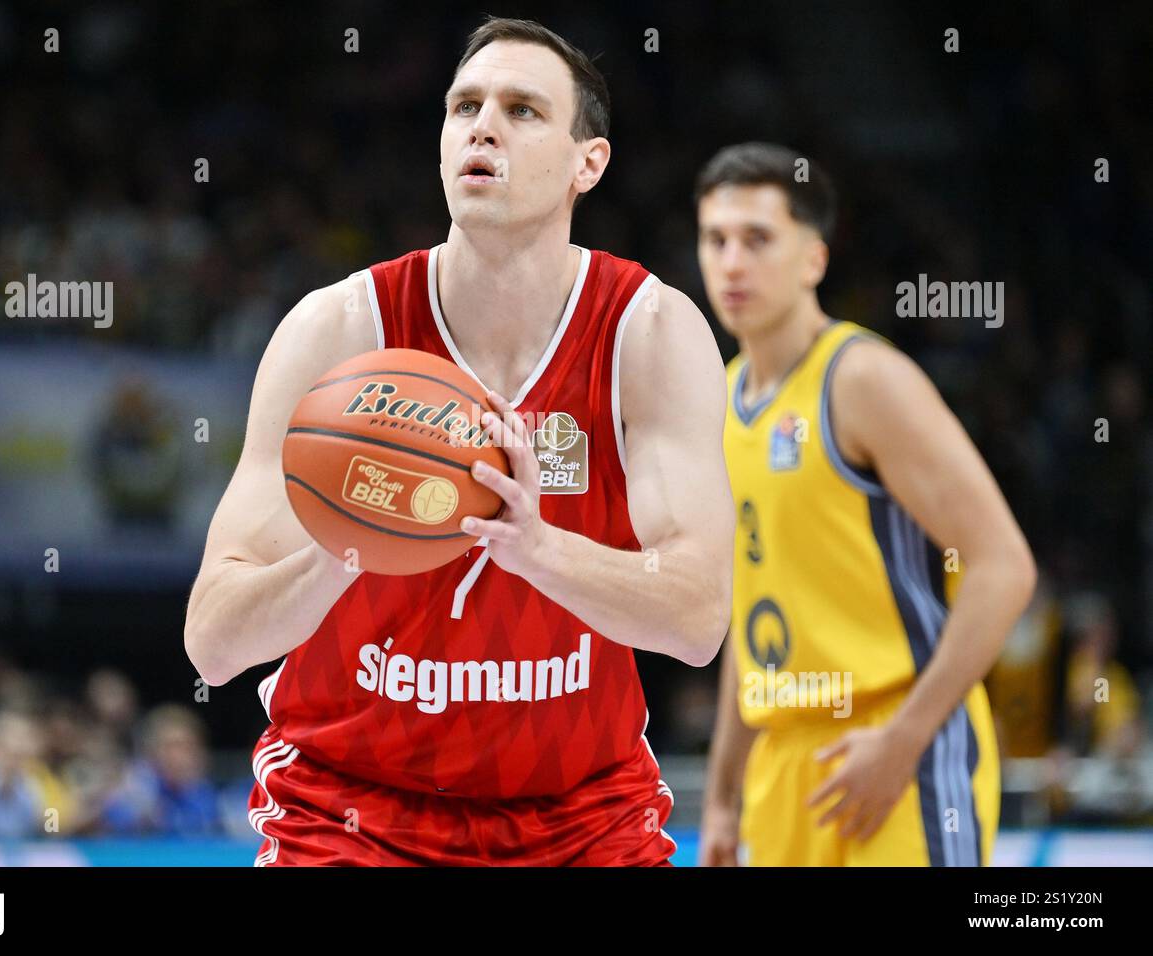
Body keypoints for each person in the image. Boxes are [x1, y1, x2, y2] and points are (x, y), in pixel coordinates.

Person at [184, 17, 734, 866]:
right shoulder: (338, 331)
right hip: (349, 810)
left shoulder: (650, 334)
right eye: (464, 106)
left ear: (588, 163)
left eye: (522, 110)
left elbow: (698, 620)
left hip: (580, 815)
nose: (482, 126)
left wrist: (539, 549)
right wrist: (336, 555)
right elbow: (213, 642)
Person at [695, 143, 1036, 866]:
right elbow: (747, 617)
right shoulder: (716, 402)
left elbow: (1005, 567)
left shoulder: (865, 381)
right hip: (782, 764)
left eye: (758, 239)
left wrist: (905, 739)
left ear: (814, 259)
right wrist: (722, 797)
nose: (731, 262)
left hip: (896, 741)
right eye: (715, 239)